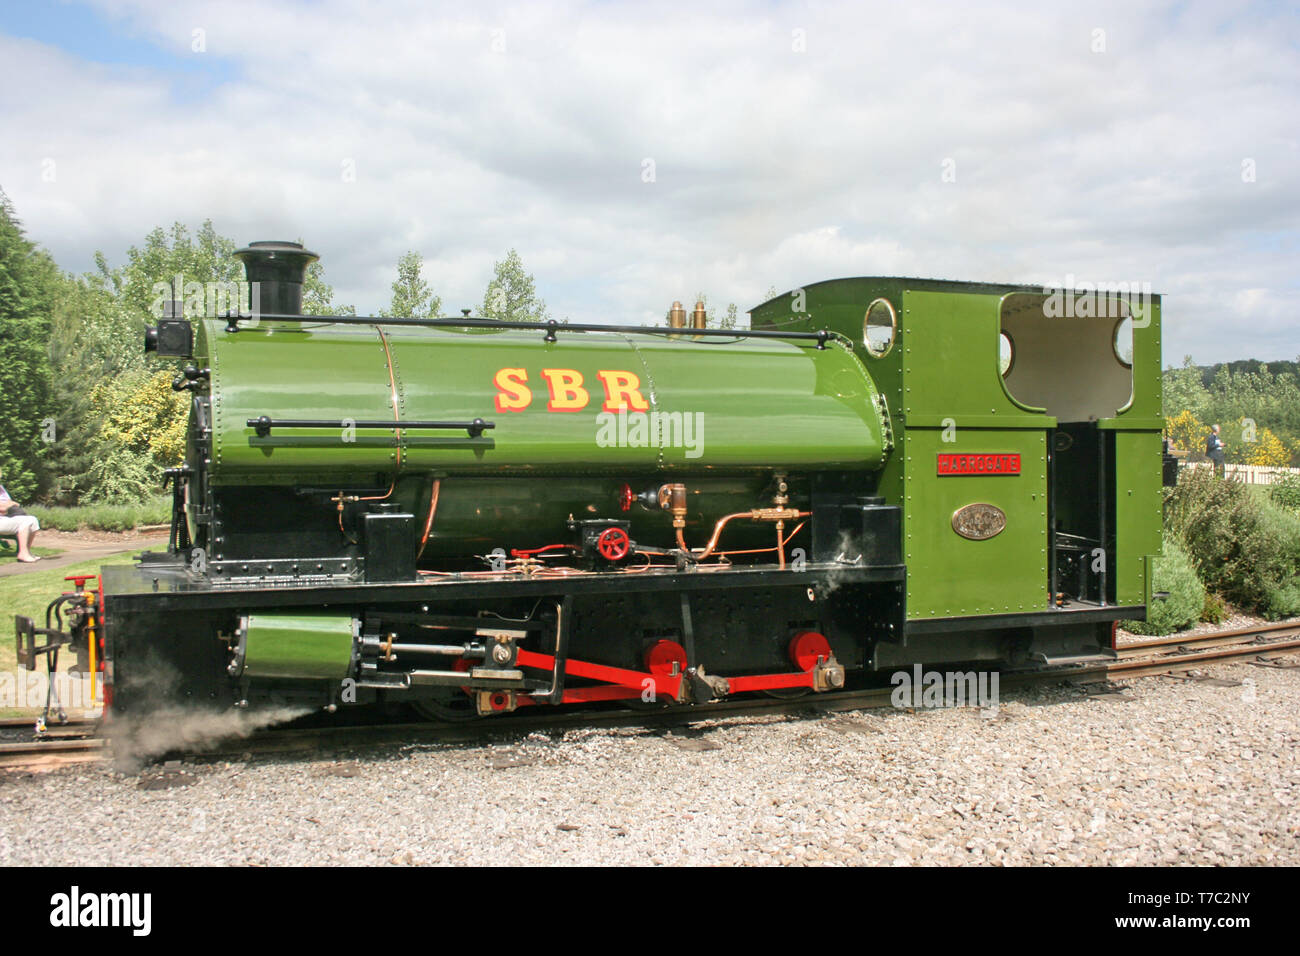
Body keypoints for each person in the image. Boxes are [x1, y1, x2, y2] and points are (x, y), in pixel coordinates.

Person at [0, 478, 41, 562]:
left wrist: (9, 504)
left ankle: (26, 552)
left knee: (33, 520)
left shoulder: (1, 488)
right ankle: (23, 553)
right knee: (25, 521)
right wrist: (10, 504)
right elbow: (3, 508)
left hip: (3, 518)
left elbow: (7, 504)